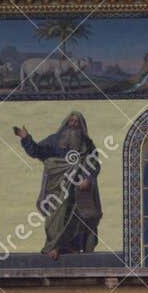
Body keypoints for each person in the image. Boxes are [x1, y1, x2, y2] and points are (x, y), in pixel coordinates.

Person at [13, 110, 102, 258]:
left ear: (81, 125)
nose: (73, 124)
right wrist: (25, 138)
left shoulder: (87, 144)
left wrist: (88, 178)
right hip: (57, 188)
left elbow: (94, 164)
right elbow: (37, 151)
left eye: (76, 122)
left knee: (79, 217)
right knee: (56, 217)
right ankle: (54, 246)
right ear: (66, 123)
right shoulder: (54, 140)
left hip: (79, 190)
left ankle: (72, 247)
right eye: (71, 121)